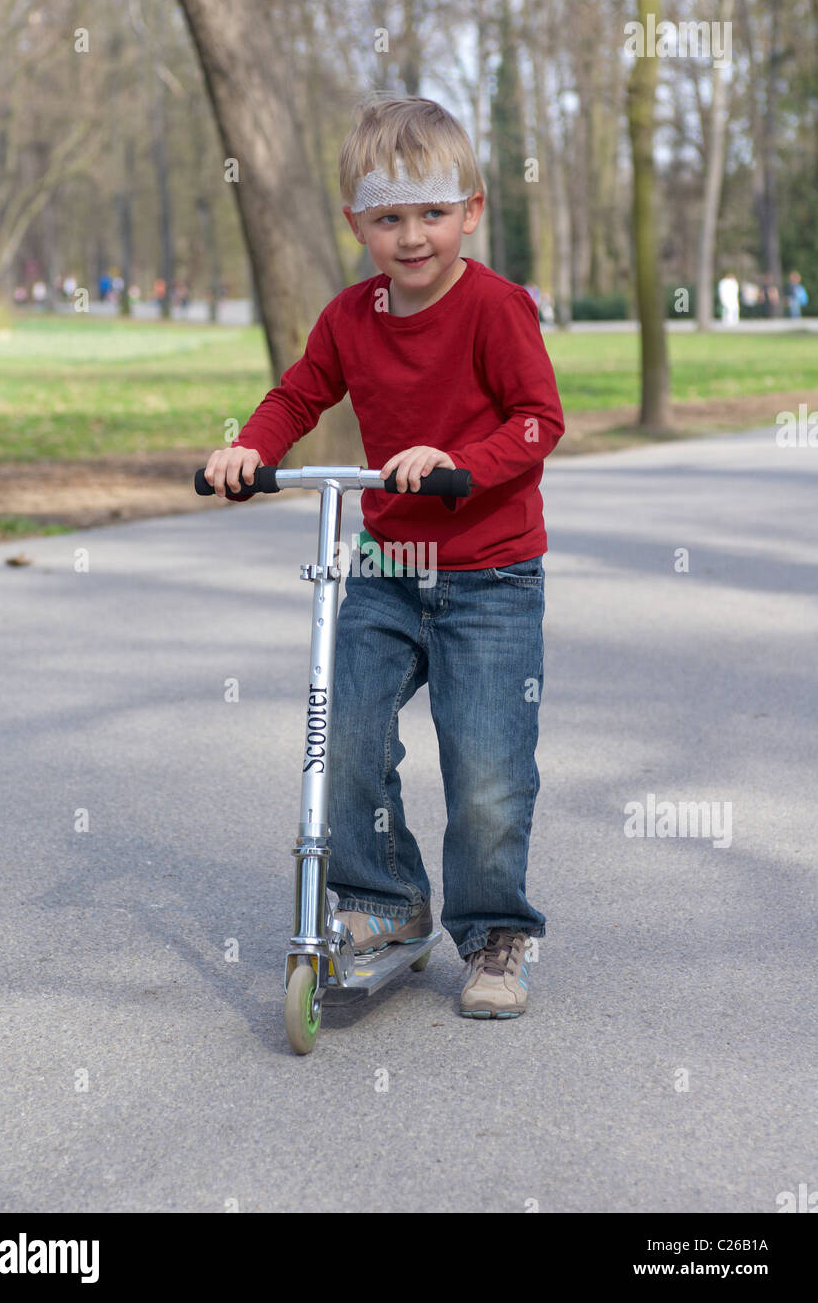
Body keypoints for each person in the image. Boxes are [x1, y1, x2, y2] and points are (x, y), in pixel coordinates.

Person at [203, 96, 565, 1019]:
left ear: (472, 210)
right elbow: (299, 394)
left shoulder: (496, 307)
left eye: (433, 213)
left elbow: (537, 421)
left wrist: (460, 464)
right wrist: (251, 448)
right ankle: (384, 902)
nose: (413, 237)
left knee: (485, 766)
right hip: (386, 567)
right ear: (355, 222)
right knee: (345, 734)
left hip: (490, 573)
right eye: (388, 217)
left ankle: (494, 934)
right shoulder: (349, 318)